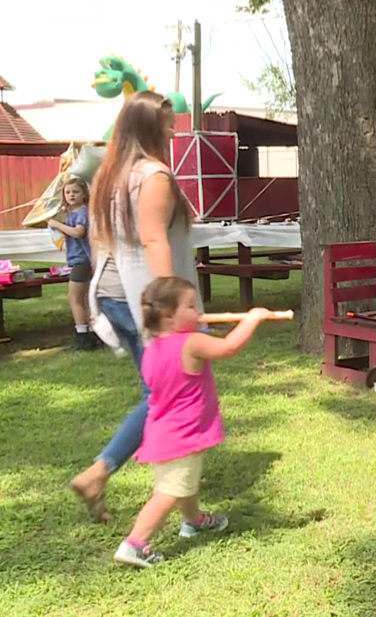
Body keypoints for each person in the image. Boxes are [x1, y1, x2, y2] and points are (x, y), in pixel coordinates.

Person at [70, 90, 201, 523]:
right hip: (141, 298)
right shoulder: (153, 175)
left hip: (116, 294)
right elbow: (153, 239)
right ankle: (101, 472)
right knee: (167, 393)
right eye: (167, 122)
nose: (174, 128)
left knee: (161, 393)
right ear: (146, 127)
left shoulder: (113, 174)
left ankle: (181, 501)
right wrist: (170, 307)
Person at [113, 277, 271, 568]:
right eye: (190, 306)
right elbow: (228, 348)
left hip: (164, 430)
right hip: (181, 435)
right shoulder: (191, 342)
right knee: (169, 492)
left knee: (184, 481)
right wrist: (253, 318)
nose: (197, 311)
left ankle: (194, 521)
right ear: (168, 316)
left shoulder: (153, 347)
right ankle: (135, 543)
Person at [47, 177, 97, 351]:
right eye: (67, 192)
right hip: (82, 261)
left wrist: (58, 225)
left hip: (82, 261)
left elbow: (78, 232)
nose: (71, 195)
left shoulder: (82, 213)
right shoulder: (73, 214)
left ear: (84, 194)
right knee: (84, 299)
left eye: (75, 192)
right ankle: (92, 333)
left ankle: (83, 336)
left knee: (74, 298)